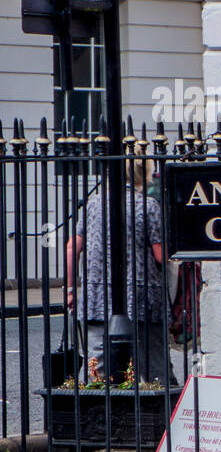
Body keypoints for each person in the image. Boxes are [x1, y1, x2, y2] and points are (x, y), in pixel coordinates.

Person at [65, 153, 172, 386]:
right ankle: (167, 415)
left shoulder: (93, 204)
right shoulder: (148, 206)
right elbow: (160, 255)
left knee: (96, 364)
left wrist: (71, 289)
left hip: (97, 295)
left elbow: (73, 247)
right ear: (143, 173)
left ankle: (87, 413)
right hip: (142, 295)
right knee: (154, 364)